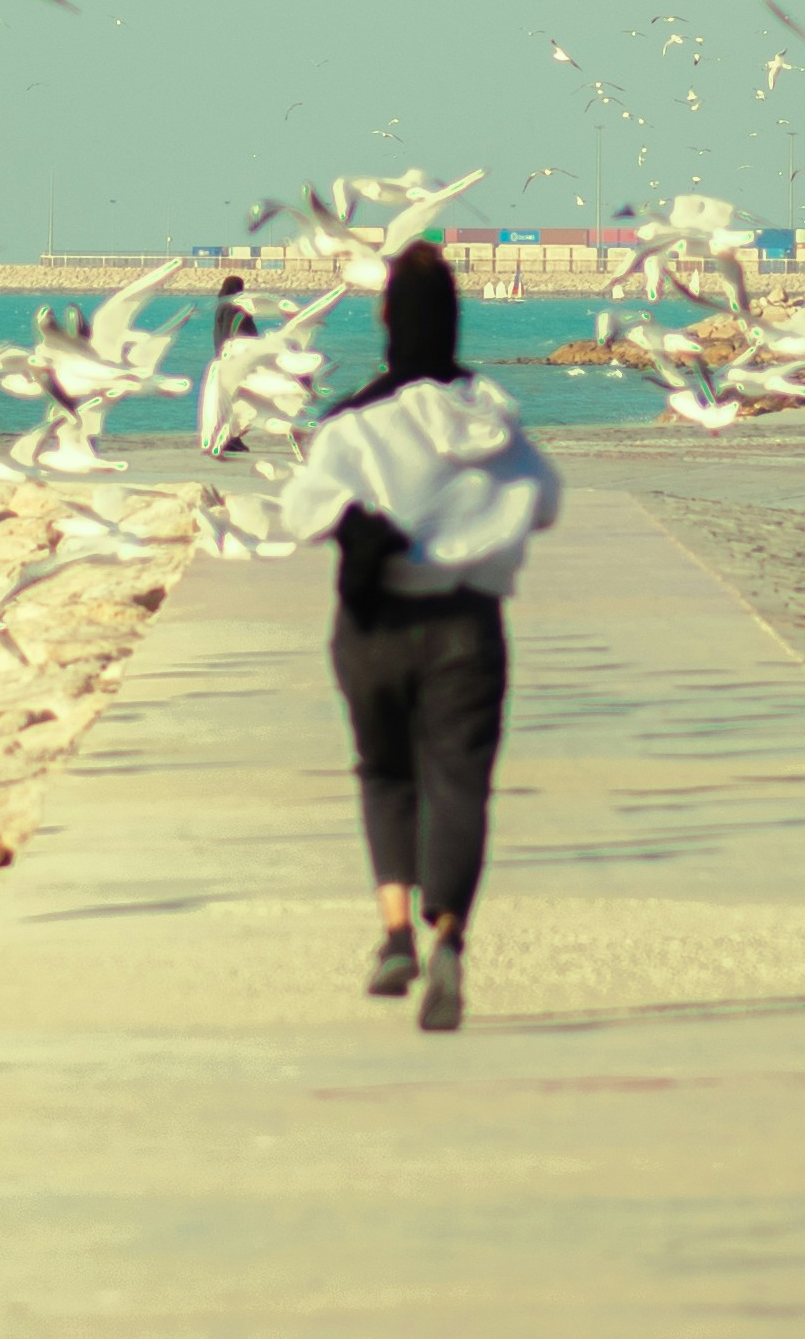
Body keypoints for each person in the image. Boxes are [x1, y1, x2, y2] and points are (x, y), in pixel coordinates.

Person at [273, 244, 562, 1033]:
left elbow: (299, 515)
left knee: (384, 773)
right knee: (459, 785)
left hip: (374, 624)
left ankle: (393, 931)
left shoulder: (354, 423)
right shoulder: (492, 415)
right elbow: (543, 504)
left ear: (384, 317)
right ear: (456, 316)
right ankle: (449, 942)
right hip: (467, 622)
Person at [208, 276, 257, 453]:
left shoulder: (221, 307)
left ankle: (229, 437)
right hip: (236, 360)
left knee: (228, 401)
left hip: (222, 358)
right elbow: (239, 331)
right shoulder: (236, 308)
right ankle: (231, 438)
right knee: (241, 400)